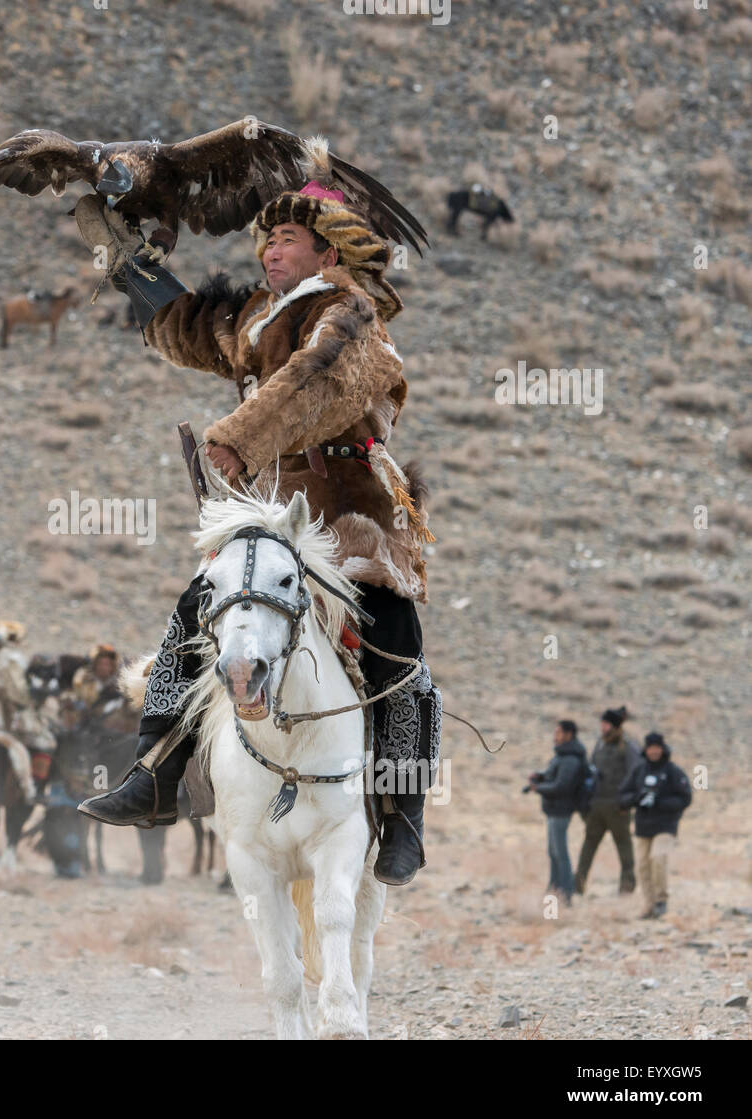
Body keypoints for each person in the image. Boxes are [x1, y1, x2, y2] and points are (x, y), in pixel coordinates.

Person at [76, 178, 440, 886]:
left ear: (326, 250)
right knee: (192, 616)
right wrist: (129, 265)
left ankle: (404, 816)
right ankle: (154, 772)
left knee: (400, 651)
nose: (271, 250)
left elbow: (313, 380)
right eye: (266, 239)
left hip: (351, 515)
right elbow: (186, 324)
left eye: (288, 239)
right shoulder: (255, 318)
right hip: (269, 512)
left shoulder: (352, 317)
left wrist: (238, 438)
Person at [618, 732, 691, 920]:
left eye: (657, 747)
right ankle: (649, 905)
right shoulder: (639, 770)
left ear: (662, 748)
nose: (654, 751)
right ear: (646, 749)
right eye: (650, 748)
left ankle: (661, 901)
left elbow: (685, 797)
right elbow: (622, 796)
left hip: (666, 825)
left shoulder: (672, 771)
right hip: (643, 826)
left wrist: (660, 801)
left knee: (658, 858)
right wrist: (637, 799)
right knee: (643, 865)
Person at [575, 706, 642, 895]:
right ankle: (578, 885)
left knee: (624, 847)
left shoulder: (628, 747)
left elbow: (636, 774)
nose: (603, 727)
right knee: (588, 845)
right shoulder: (600, 745)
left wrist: (627, 802)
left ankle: (627, 887)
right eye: (602, 724)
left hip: (617, 807)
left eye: (606, 724)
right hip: (596, 805)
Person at [525, 720, 588, 905]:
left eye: (559, 732)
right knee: (553, 852)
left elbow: (562, 786)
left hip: (561, 811)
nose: (556, 736)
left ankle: (566, 895)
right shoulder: (561, 755)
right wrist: (540, 777)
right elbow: (554, 776)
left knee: (560, 853)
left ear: (569, 734)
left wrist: (539, 787)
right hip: (553, 810)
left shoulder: (570, 758)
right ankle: (554, 890)